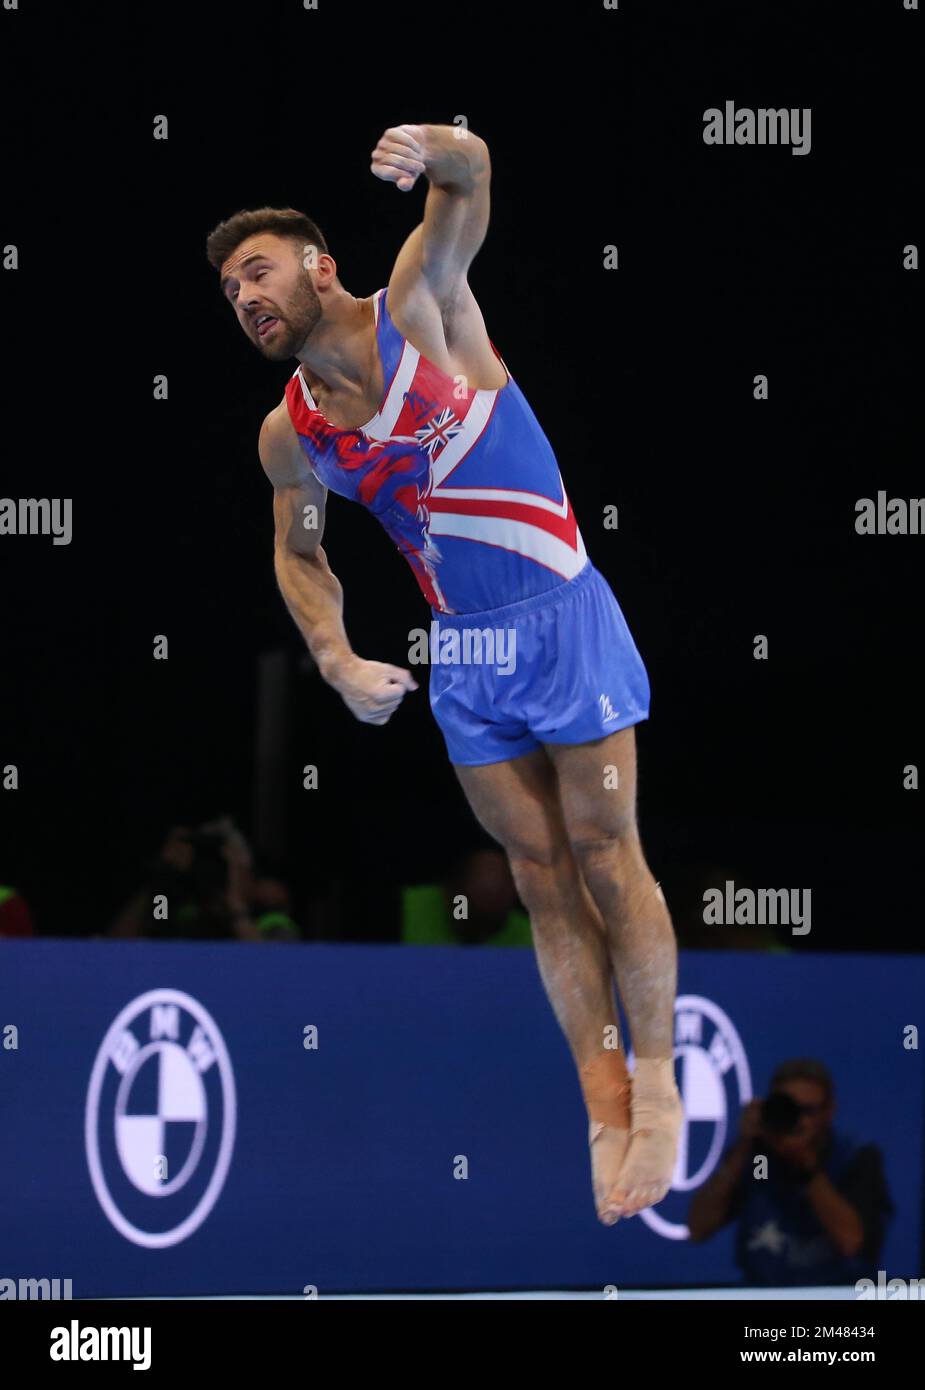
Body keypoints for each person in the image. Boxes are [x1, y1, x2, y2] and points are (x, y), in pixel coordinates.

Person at [206, 123, 681, 1223]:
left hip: (561, 615)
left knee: (608, 855)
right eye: (231, 288)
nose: (245, 295)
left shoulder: (422, 302)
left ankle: (658, 1093)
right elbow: (298, 549)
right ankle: (603, 1104)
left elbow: (470, 179)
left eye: (260, 269)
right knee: (540, 877)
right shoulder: (291, 437)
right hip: (464, 652)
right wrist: (333, 655)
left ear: (319, 263)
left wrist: (439, 145)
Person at [687, 1058, 893, 1285]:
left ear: (829, 1111)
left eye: (808, 1110)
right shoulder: (757, 1158)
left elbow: (851, 1241)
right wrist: (743, 1146)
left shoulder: (856, 1158)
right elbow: (698, 1228)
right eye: (789, 1108)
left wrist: (806, 1167)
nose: (799, 1120)